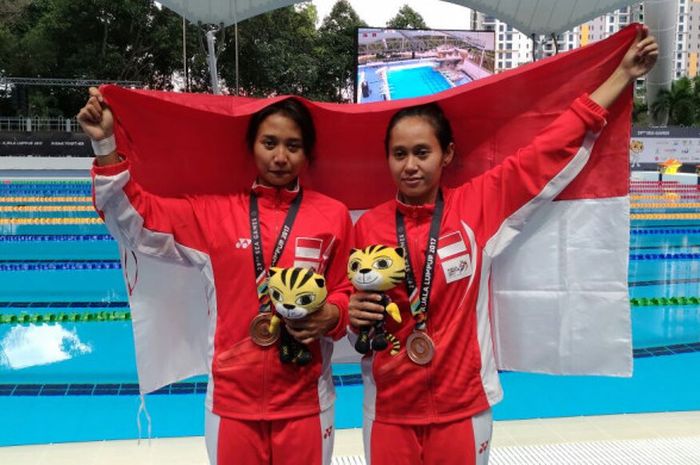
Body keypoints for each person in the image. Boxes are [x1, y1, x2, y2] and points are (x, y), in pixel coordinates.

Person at [348, 27, 658, 465]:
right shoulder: (369, 226)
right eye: (400, 154)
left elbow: (544, 152)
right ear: (387, 159)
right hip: (388, 410)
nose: (411, 165)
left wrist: (621, 76)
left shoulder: (478, 203)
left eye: (423, 152)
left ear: (447, 154)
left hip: (462, 406)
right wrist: (351, 314)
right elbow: (348, 307)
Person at [77, 90, 352, 465]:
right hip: (232, 403)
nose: (280, 157)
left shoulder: (332, 215)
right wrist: (104, 143)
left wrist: (334, 314)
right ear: (252, 146)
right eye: (269, 143)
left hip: (307, 402)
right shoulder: (214, 213)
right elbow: (136, 223)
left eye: (294, 146)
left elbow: (346, 291)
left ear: (307, 154)